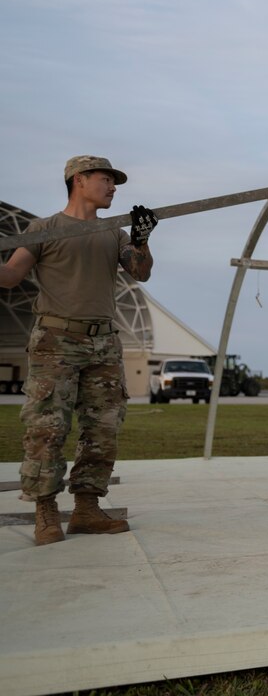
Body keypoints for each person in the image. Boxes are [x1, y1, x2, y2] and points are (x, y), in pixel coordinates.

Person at [0, 155, 156, 546]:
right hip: (56, 340)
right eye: (106, 179)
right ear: (79, 179)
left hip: (104, 341)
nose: (114, 187)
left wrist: (141, 239)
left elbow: (140, 271)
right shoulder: (44, 229)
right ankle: (46, 512)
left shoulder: (114, 233)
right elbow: (11, 276)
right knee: (47, 428)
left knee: (103, 429)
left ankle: (87, 509)